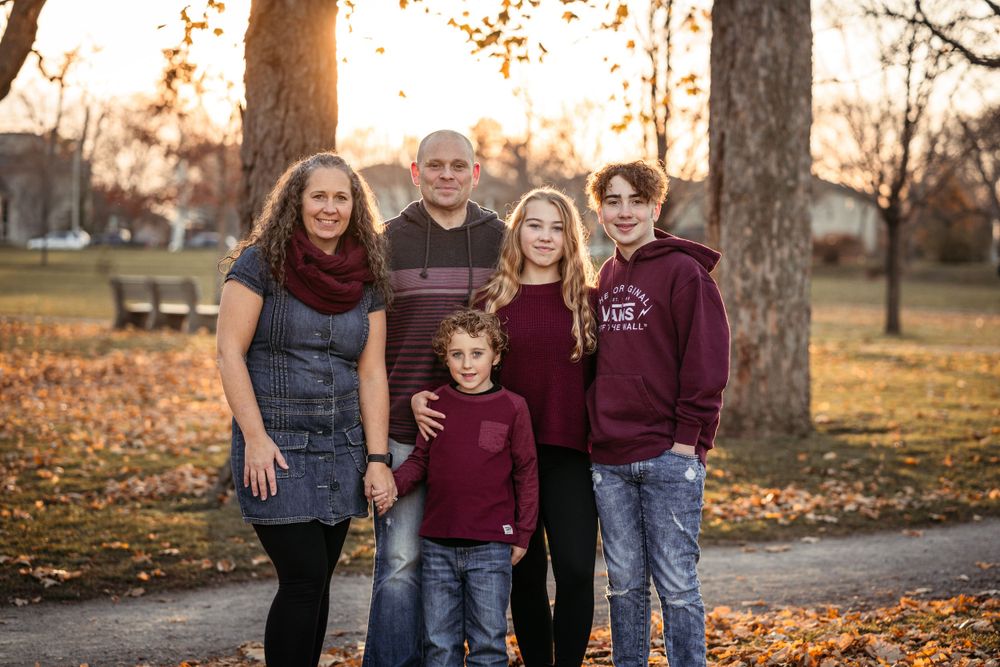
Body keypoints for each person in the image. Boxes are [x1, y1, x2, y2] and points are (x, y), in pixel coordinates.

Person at [217, 152, 397, 667]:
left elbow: (371, 372)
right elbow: (229, 352)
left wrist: (378, 458)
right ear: (296, 202)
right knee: (303, 578)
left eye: (341, 197)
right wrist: (254, 437)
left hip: (341, 450)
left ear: (354, 206)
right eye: (318, 195)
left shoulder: (368, 276)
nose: (329, 207)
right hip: (275, 447)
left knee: (318, 585)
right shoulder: (260, 265)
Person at [416, 187, 598, 666]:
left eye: (557, 227)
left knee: (578, 569)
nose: (545, 236)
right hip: (502, 461)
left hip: (567, 456)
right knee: (525, 571)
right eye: (535, 225)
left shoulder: (585, 301)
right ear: (517, 231)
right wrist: (421, 399)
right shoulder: (490, 300)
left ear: (570, 238)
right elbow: (463, 370)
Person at [363, 130, 506, 667]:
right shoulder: (386, 241)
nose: (447, 174)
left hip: (475, 438)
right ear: (416, 172)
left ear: (475, 172)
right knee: (400, 562)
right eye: (435, 165)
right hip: (402, 432)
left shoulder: (500, 240)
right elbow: (369, 351)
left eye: (458, 165)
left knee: (466, 566)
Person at [584, 160, 730, 667]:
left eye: (635, 201)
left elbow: (708, 361)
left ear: (655, 207)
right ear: (599, 210)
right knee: (623, 587)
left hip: (670, 455)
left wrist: (687, 441)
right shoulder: (606, 274)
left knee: (677, 585)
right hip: (610, 458)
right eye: (613, 202)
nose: (624, 212)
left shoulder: (684, 273)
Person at [392, 308, 539, 666]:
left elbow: (526, 471)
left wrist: (523, 532)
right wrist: (389, 485)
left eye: (477, 354)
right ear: (446, 357)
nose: (467, 364)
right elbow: (420, 461)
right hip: (438, 545)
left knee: (488, 644)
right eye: (457, 354)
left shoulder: (513, 407)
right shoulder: (436, 403)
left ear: (496, 355)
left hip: (491, 546)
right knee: (440, 644)